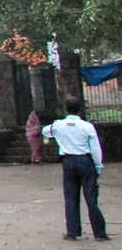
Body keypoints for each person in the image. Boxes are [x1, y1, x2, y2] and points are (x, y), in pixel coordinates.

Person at [43, 98, 107, 241]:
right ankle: (99, 233)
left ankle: (72, 231)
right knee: (91, 197)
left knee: (71, 197)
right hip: (85, 160)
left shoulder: (58, 125)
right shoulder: (87, 126)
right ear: (79, 109)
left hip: (68, 161)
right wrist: (98, 165)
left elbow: (46, 131)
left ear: (66, 108)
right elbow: (95, 148)